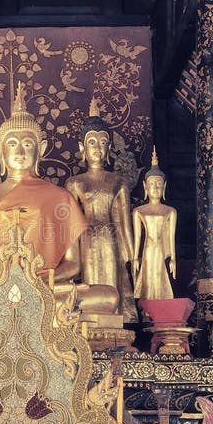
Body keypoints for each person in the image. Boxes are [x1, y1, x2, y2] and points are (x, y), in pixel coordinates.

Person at [0, 83, 94, 302]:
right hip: (0, 285)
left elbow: (74, 264)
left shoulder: (61, 197)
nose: (19, 151)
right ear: (0, 149)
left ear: (41, 149)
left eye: (28, 144)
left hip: (47, 286)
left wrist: (38, 280)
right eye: (12, 144)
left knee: (105, 297)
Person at [65, 100, 136, 323]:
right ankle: (88, 322)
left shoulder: (118, 182)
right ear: (82, 148)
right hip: (85, 239)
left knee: (112, 282)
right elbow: (70, 226)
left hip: (111, 237)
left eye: (103, 142)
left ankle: (114, 323)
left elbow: (124, 222)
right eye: (92, 142)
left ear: (109, 148)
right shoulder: (74, 183)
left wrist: (134, 257)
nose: (97, 147)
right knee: (90, 282)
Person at [132, 148, 177, 301]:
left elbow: (171, 237)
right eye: (152, 184)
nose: (156, 187)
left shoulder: (170, 211)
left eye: (159, 184)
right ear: (145, 187)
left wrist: (173, 259)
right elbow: (137, 236)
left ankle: (161, 303)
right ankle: (146, 308)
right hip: (147, 250)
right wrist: (135, 258)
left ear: (164, 186)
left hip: (161, 250)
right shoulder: (139, 211)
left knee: (160, 274)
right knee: (148, 275)